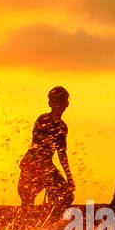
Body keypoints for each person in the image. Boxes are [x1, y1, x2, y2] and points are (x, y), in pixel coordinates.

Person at [18, 86, 76, 217]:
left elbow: (59, 153)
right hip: (36, 164)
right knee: (29, 200)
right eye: (57, 101)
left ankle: (47, 222)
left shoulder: (52, 123)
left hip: (37, 165)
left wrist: (68, 176)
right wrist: (68, 177)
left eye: (60, 101)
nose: (59, 105)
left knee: (65, 196)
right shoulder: (50, 122)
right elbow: (58, 153)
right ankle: (45, 223)